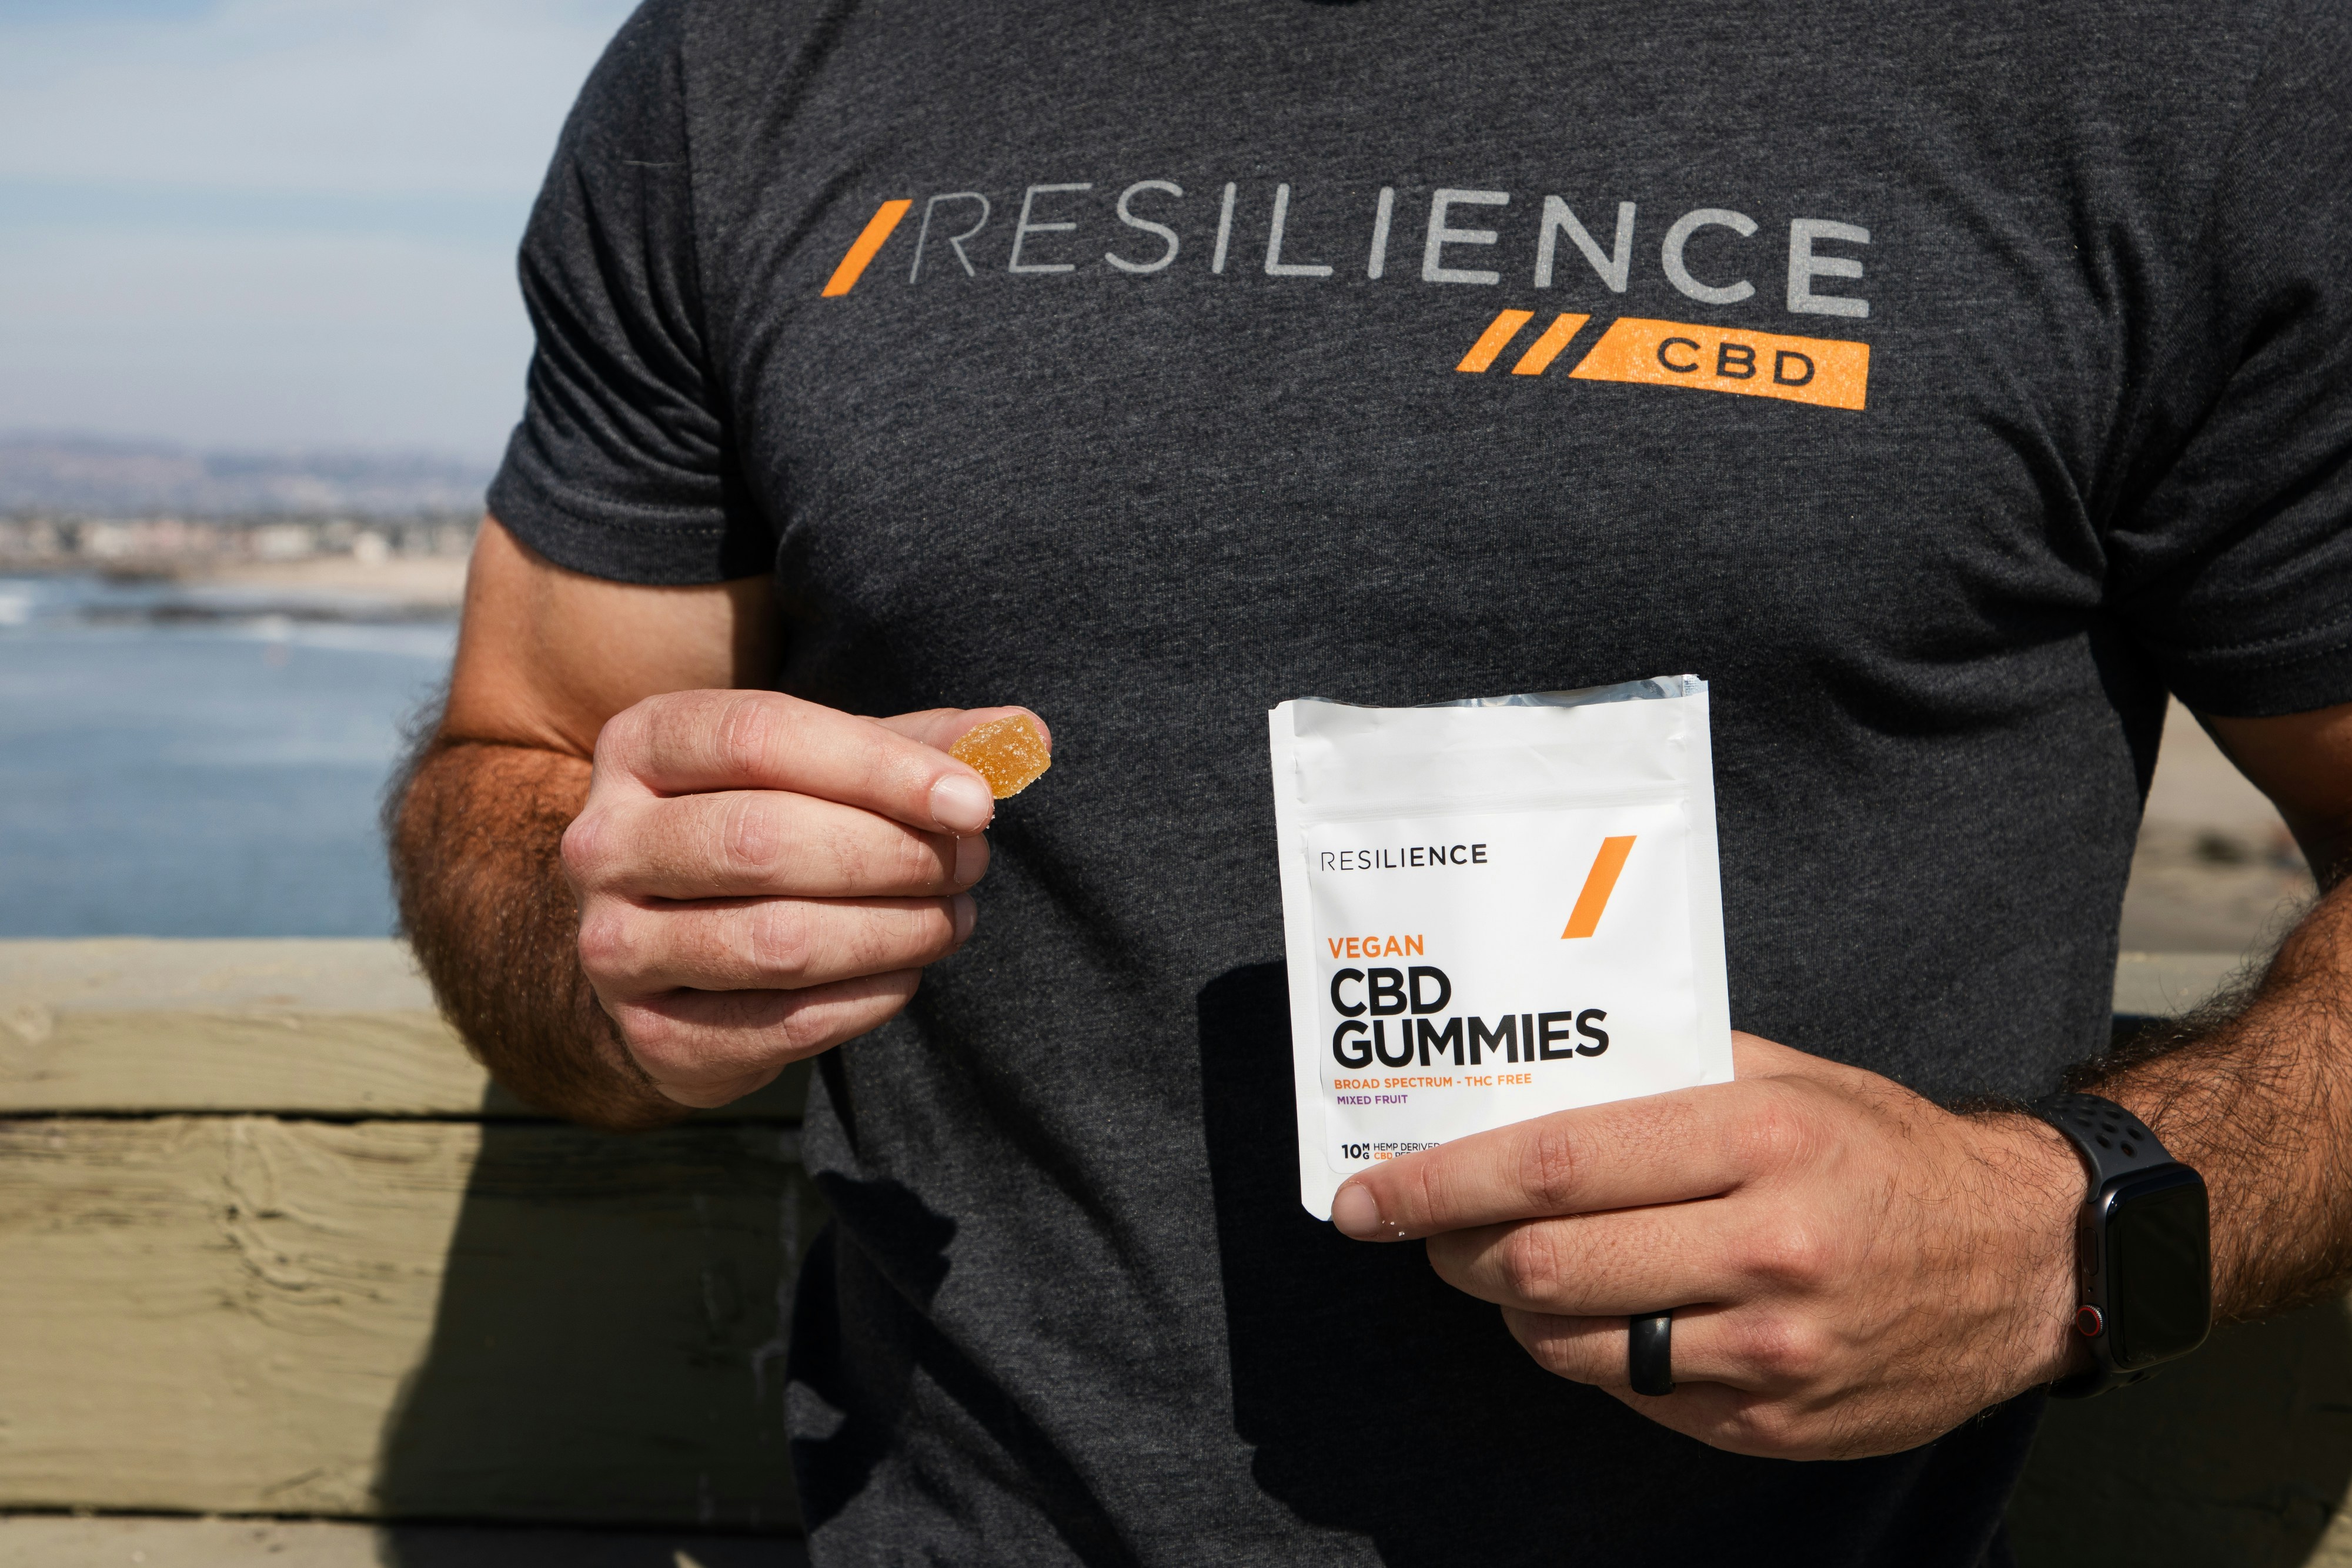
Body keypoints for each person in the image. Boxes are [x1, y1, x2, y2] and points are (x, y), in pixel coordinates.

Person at [388, 1, 2352, 1562]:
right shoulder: (750, 62)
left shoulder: (2169, 58)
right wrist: (611, 932)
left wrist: (2064, 1230)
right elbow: (521, 769)